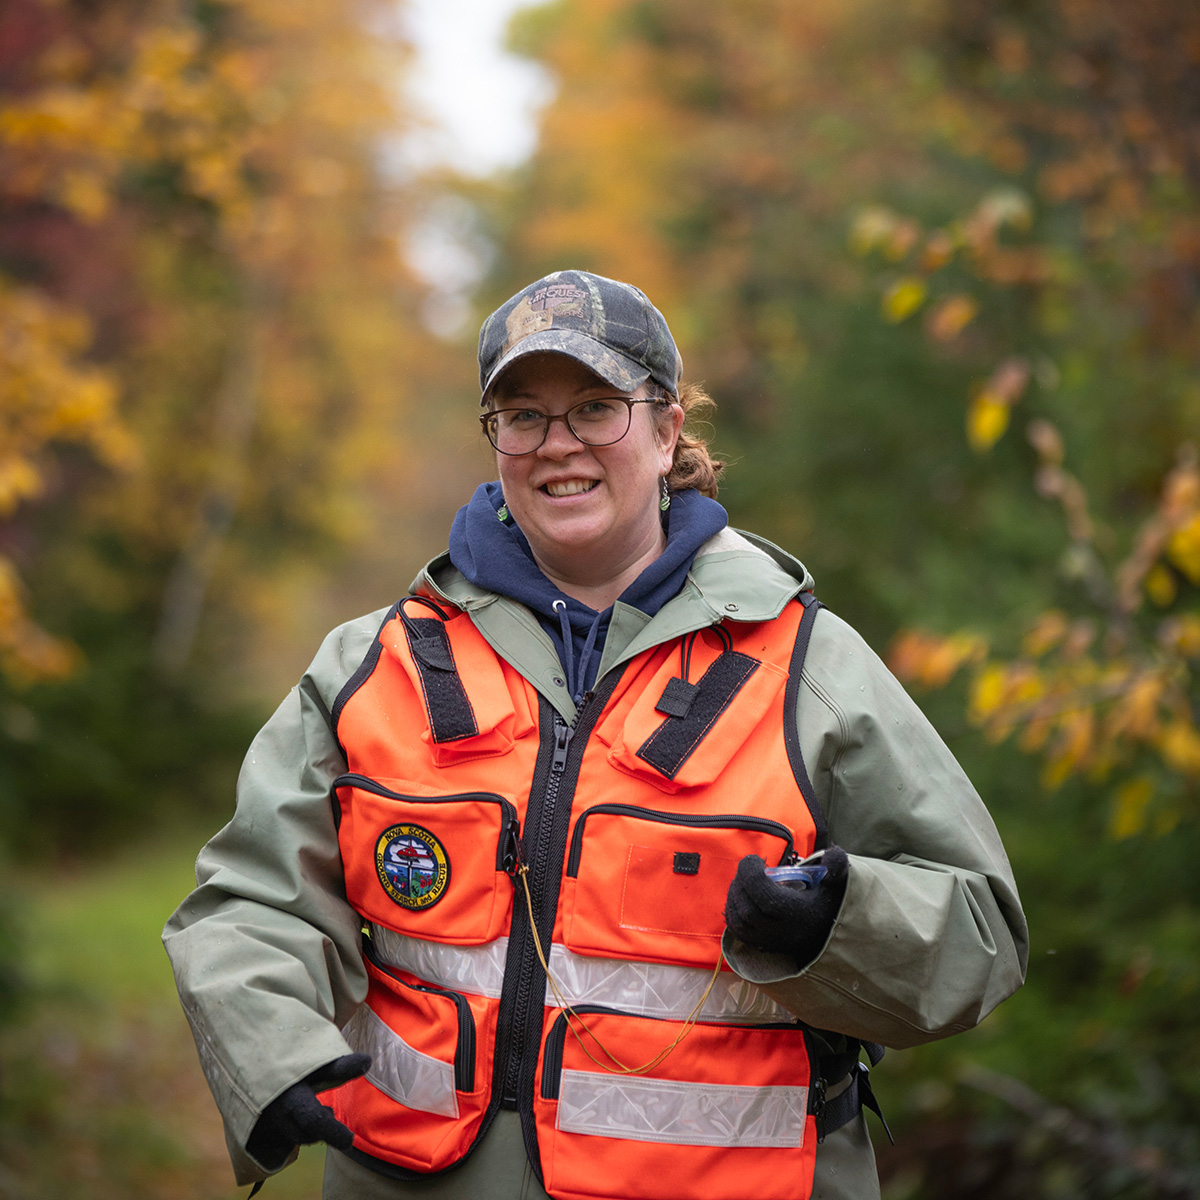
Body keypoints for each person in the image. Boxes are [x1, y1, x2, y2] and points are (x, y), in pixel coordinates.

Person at [164, 269, 1028, 1200]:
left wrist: (836, 921)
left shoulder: (811, 669)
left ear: (666, 432)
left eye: (596, 407)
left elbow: (981, 931)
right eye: (522, 415)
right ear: (495, 441)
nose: (556, 444)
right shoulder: (374, 663)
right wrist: (271, 1052)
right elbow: (255, 898)